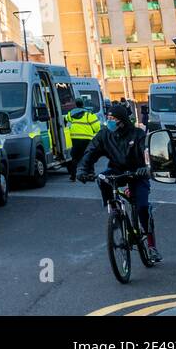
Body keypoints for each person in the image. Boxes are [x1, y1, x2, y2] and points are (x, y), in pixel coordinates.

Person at [77, 101, 160, 262]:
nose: (109, 121)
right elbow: (91, 151)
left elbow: (147, 152)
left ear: (122, 121)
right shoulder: (104, 134)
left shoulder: (137, 134)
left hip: (138, 172)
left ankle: (151, 247)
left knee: (142, 207)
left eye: (112, 118)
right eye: (108, 117)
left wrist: (147, 167)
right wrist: (83, 170)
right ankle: (115, 210)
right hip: (117, 170)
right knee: (103, 178)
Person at [64, 104, 101, 180]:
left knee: (75, 157)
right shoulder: (89, 114)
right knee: (89, 156)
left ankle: (73, 175)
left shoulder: (71, 114)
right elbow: (97, 126)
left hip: (75, 138)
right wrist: (94, 131)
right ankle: (90, 174)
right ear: (83, 105)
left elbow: (65, 119)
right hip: (87, 139)